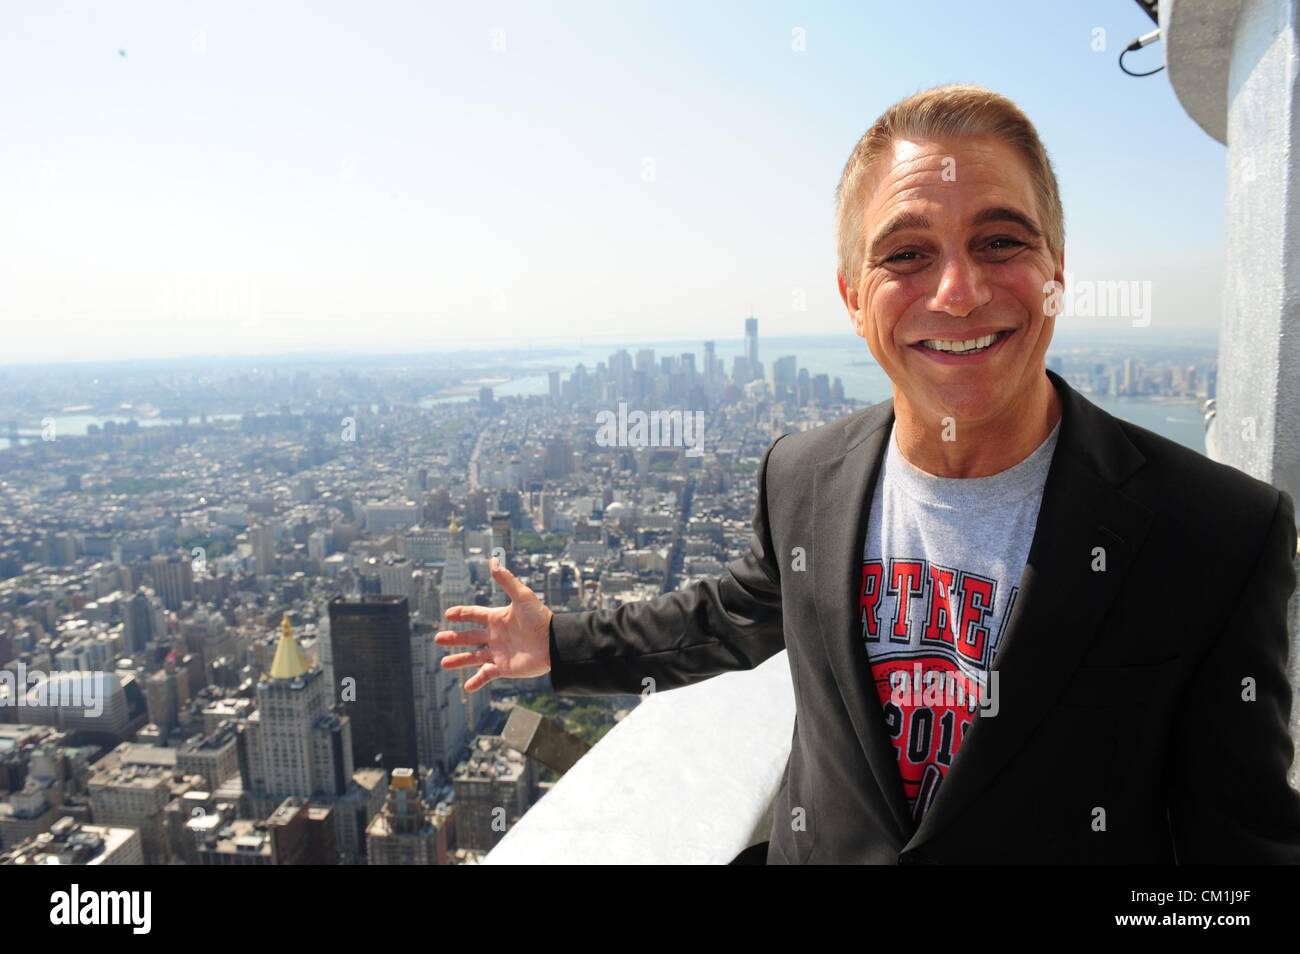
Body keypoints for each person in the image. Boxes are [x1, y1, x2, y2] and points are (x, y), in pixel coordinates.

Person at [436, 84, 1300, 864]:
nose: (958, 293)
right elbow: (732, 615)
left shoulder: (1215, 531)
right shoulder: (804, 477)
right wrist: (556, 644)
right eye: (907, 255)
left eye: (1001, 241)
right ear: (853, 297)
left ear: (1055, 274)